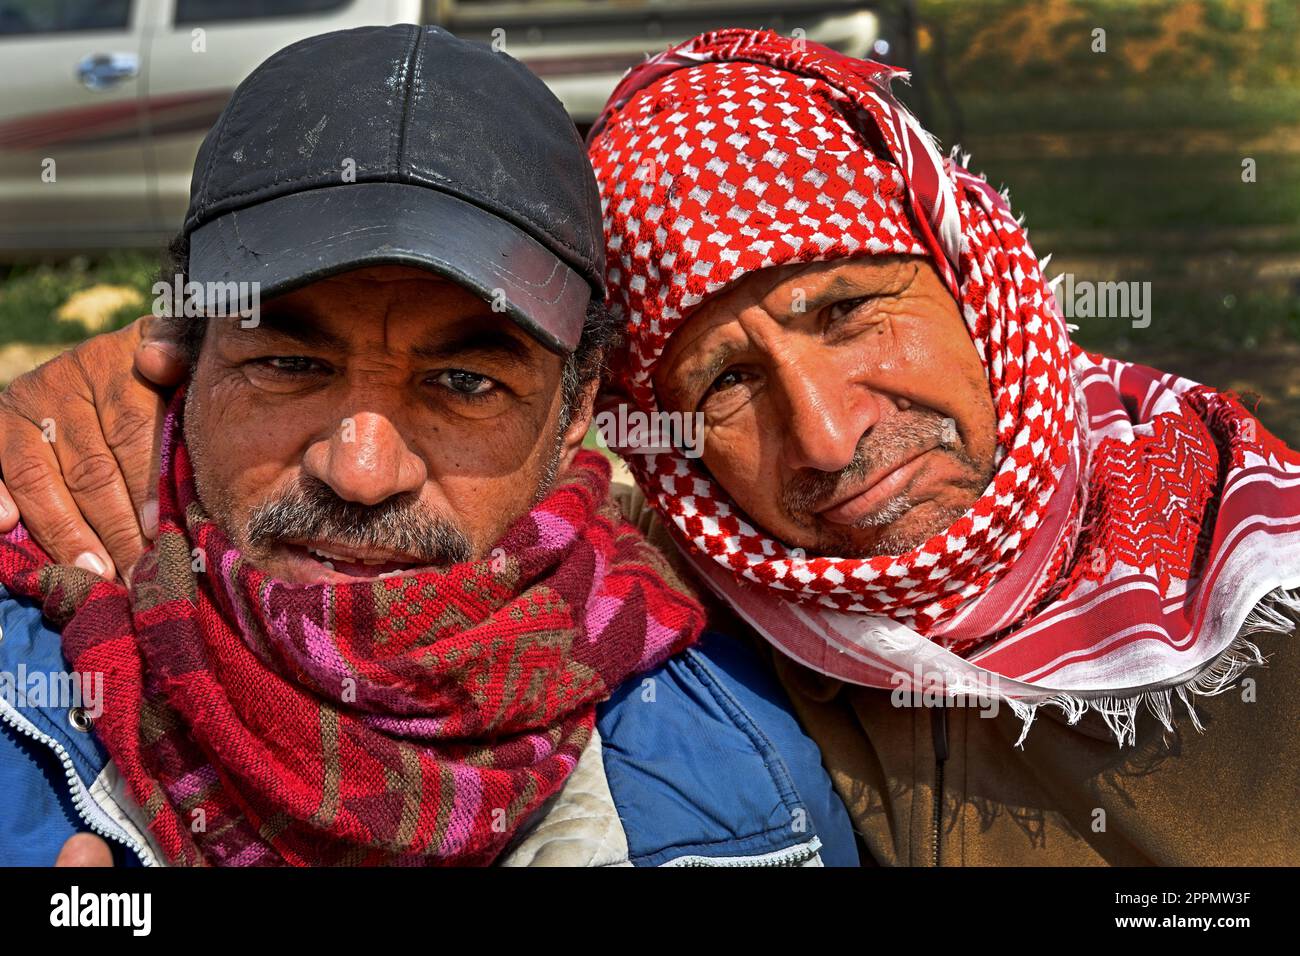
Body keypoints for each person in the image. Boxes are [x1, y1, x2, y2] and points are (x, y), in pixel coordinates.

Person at [10, 28, 1298, 866]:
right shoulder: (747, 626)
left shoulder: (727, 713)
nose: (831, 432)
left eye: (847, 309)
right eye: (286, 363)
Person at [0, 25, 854, 867]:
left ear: (573, 416)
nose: (363, 473)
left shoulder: (743, 793)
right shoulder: (22, 700)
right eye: (290, 364)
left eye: (465, 384)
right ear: (181, 357)